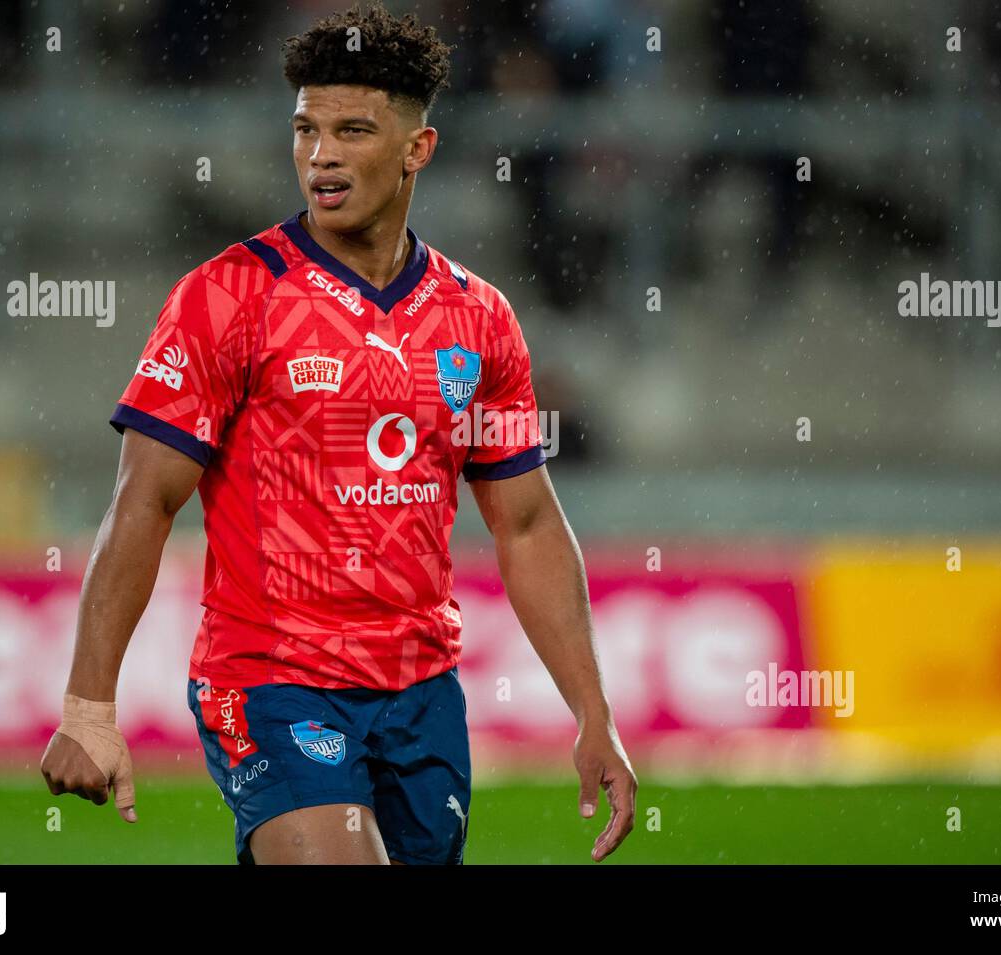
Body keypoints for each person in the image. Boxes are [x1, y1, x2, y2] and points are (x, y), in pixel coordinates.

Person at [40, 1, 635, 865]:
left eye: (353, 129)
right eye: (305, 128)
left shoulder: (479, 318)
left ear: (416, 150)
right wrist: (89, 706)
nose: (320, 153)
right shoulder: (228, 296)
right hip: (271, 679)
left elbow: (529, 523)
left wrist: (594, 714)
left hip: (422, 696)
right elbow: (143, 500)